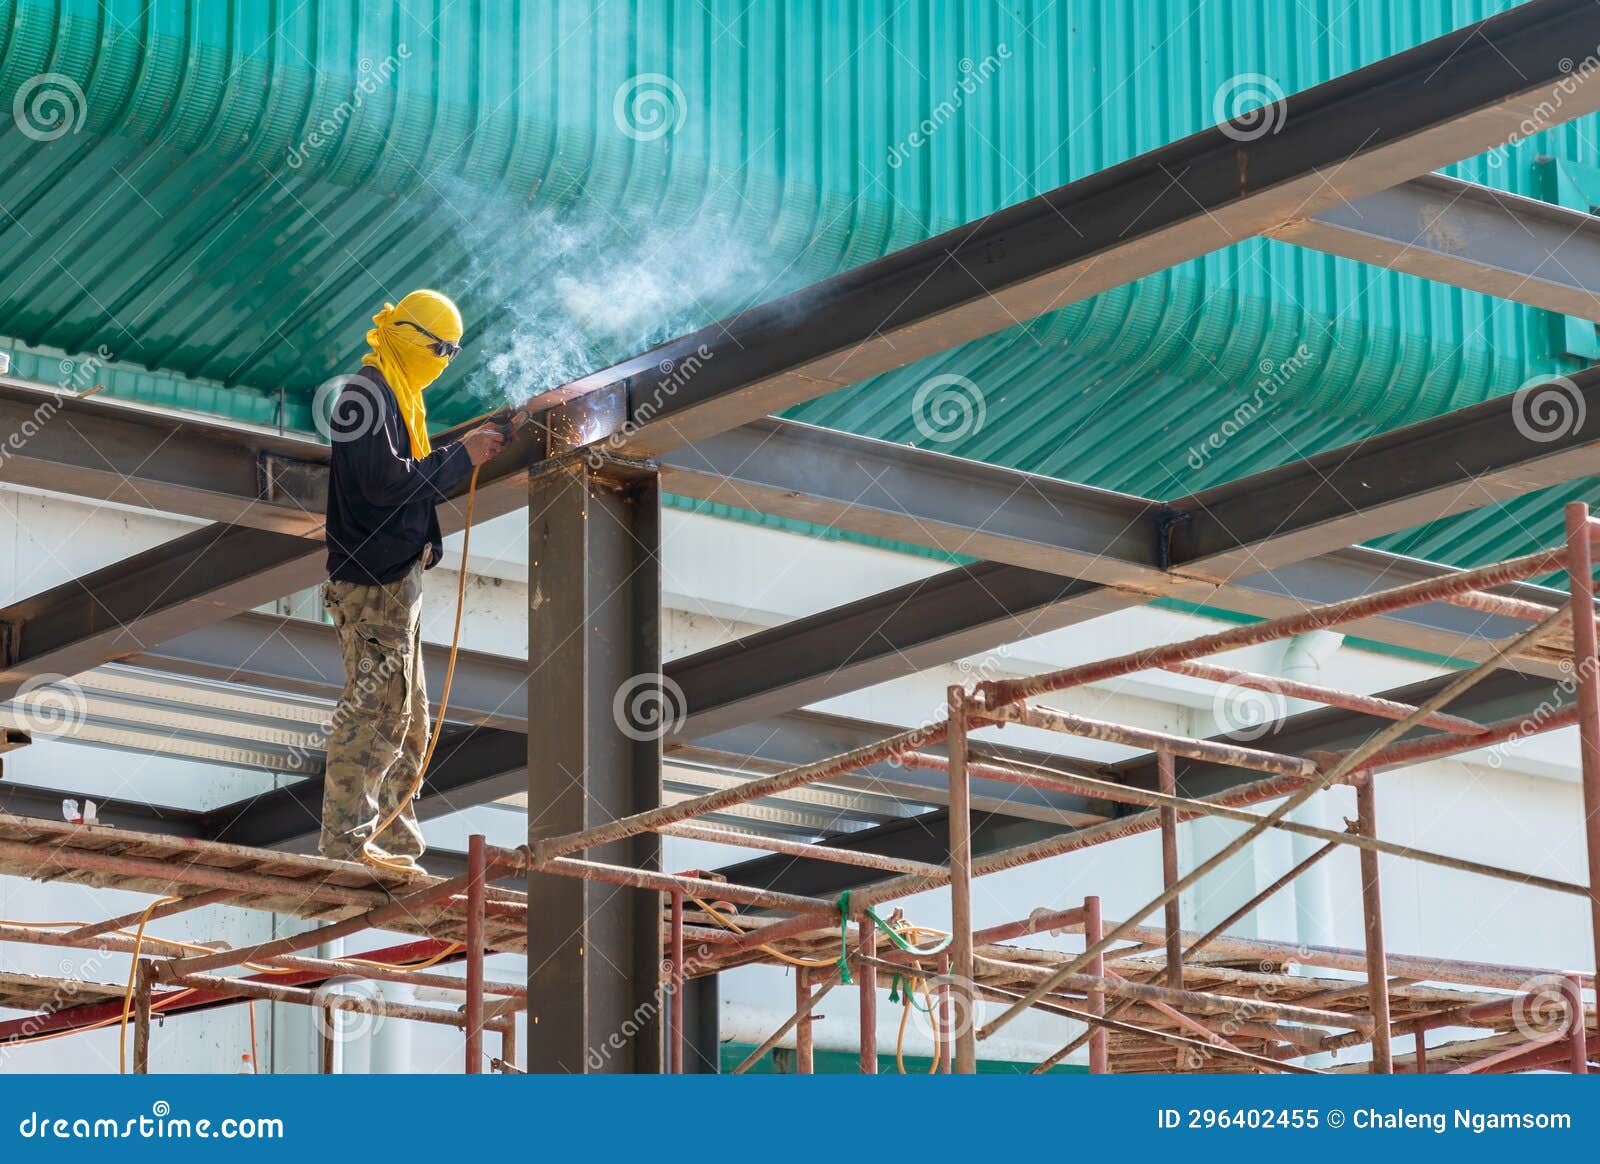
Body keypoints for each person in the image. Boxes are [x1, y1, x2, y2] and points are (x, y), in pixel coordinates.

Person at [318, 289, 507, 871]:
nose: (444, 360)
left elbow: (402, 481)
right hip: (372, 585)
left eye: (453, 352)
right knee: (377, 713)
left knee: (411, 719)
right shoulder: (368, 396)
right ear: (409, 337)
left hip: (397, 585)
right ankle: (347, 845)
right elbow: (383, 485)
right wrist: (461, 458)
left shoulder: (400, 398)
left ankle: (394, 839)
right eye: (440, 349)